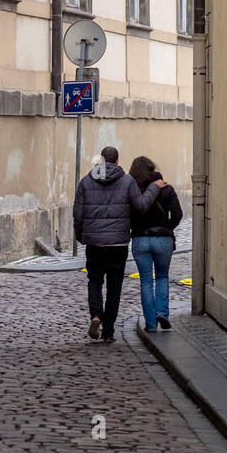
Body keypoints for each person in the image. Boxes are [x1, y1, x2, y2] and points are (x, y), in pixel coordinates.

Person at [73, 145, 161, 343]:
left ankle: (96, 315)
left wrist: (82, 236)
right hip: (118, 244)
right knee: (114, 287)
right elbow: (141, 206)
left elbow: (77, 214)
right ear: (118, 161)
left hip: (94, 243)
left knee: (94, 281)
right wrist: (154, 187)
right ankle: (109, 330)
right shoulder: (127, 181)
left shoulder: (86, 181)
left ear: (102, 161)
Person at [129, 156, 183, 333]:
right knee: (162, 276)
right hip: (162, 239)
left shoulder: (132, 189)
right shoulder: (166, 188)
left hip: (140, 239)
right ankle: (162, 314)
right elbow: (177, 214)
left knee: (146, 280)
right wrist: (166, 228)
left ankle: (150, 323)